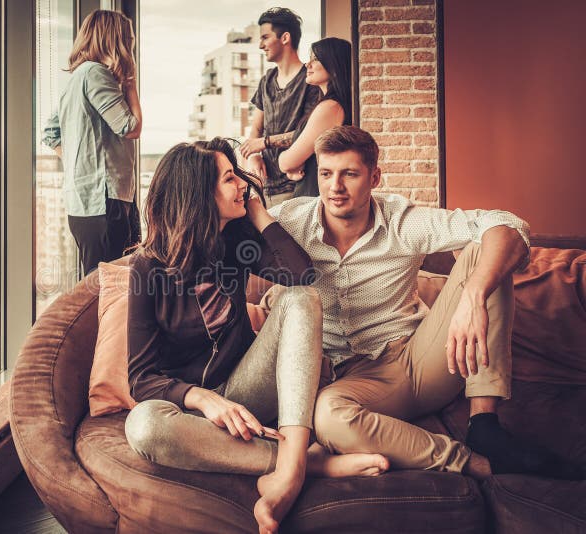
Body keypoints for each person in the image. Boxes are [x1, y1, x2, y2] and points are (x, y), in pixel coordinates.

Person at [269, 125, 584, 480]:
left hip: (416, 362)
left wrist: (474, 295)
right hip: (347, 382)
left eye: (350, 174)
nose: (335, 187)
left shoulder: (403, 222)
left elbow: (507, 224)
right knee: (328, 415)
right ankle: (473, 464)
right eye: (326, 174)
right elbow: (227, 234)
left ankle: (485, 426)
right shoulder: (290, 221)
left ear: (374, 177)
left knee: (485, 251)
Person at [123, 138, 389, 534]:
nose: (242, 186)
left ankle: (292, 463)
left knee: (300, 300)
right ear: (198, 193)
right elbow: (140, 378)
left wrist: (261, 217)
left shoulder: (235, 243)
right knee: (143, 425)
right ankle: (305, 462)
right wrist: (202, 398)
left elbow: (301, 278)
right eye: (230, 179)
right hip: (194, 416)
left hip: (248, 388)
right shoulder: (148, 269)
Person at [42, 10, 142, 276]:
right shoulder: (97, 74)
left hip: (84, 202)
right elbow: (130, 127)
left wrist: (80, 162)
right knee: (109, 288)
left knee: (98, 284)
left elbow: (51, 133)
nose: (130, 48)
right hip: (104, 200)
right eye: (128, 40)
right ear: (114, 40)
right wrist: (131, 84)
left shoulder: (76, 78)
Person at [239, 8, 320, 207]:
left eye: (265, 37)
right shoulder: (266, 81)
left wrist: (263, 143)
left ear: (285, 38)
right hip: (265, 186)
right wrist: (254, 155)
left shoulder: (310, 81)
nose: (260, 45)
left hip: (297, 186)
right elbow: (255, 130)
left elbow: (309, 135)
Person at [278, 37, 352, 197]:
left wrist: (287, 163)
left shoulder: (330, 108)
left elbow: (286, 162)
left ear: (333, 66)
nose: (307, 64)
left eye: (315, 59)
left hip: (314, 198)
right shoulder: (331, 105)